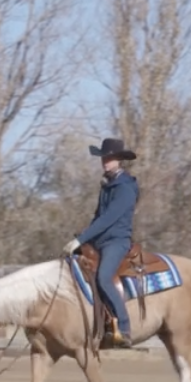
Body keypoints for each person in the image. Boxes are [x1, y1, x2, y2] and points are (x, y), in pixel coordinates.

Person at [63, 138, 139, 347]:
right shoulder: (107, 184)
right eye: (104, 157)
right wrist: (83, 238)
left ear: (119, 160)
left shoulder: (125, 187)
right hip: (101, 239)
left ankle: (124, 327)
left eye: (110, 157)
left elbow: (109, 219)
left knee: (104, 277)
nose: (106, 161)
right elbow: (98, 217)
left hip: (117, 241)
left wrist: (80, 239)